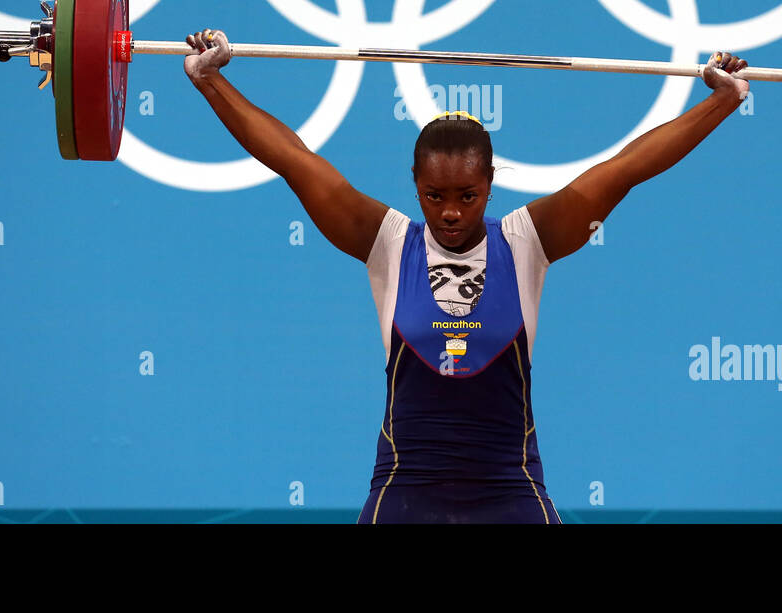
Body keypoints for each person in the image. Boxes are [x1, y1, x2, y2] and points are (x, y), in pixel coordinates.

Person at [184, 28, 749, 523]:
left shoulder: (528, 241)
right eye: (434, 196)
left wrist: (720, 104)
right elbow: (293, 160)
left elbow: (627, 169)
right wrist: (212, 82)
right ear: (414, 186)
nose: (450, 211)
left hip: (510, 491)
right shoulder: (388, 242)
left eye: (467, 195)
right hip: (405, 493)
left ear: (490, 184)